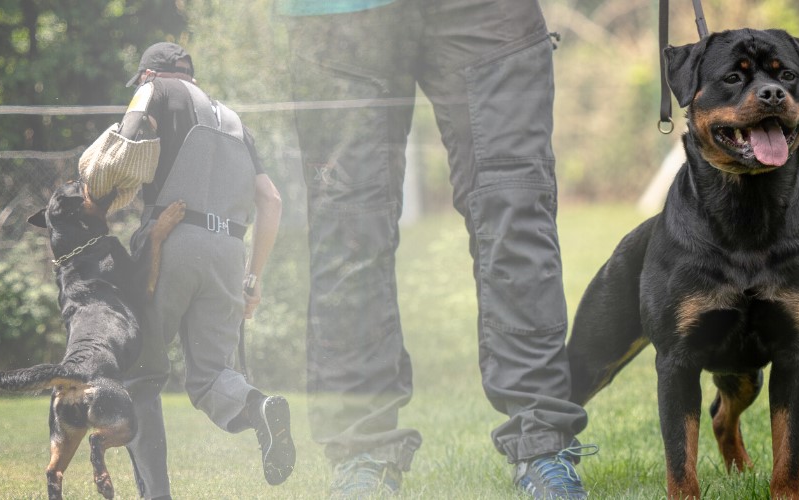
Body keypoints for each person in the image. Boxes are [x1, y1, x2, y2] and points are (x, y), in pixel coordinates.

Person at [278, 1, 594, 497]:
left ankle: (542, 445)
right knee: (347, 230)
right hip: (339, 12)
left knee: (516, 208)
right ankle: (363, 454)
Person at [113, 42, 295, 499]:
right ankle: (259, 405)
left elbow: (126, 136)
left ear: (149, 75)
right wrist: (252, 277)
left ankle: (156, 496)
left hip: (171, 241)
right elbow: (271, 200)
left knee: (142, 373)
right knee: (213, 374)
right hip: (229, 252)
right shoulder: (234, 121)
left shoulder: (155, 92)